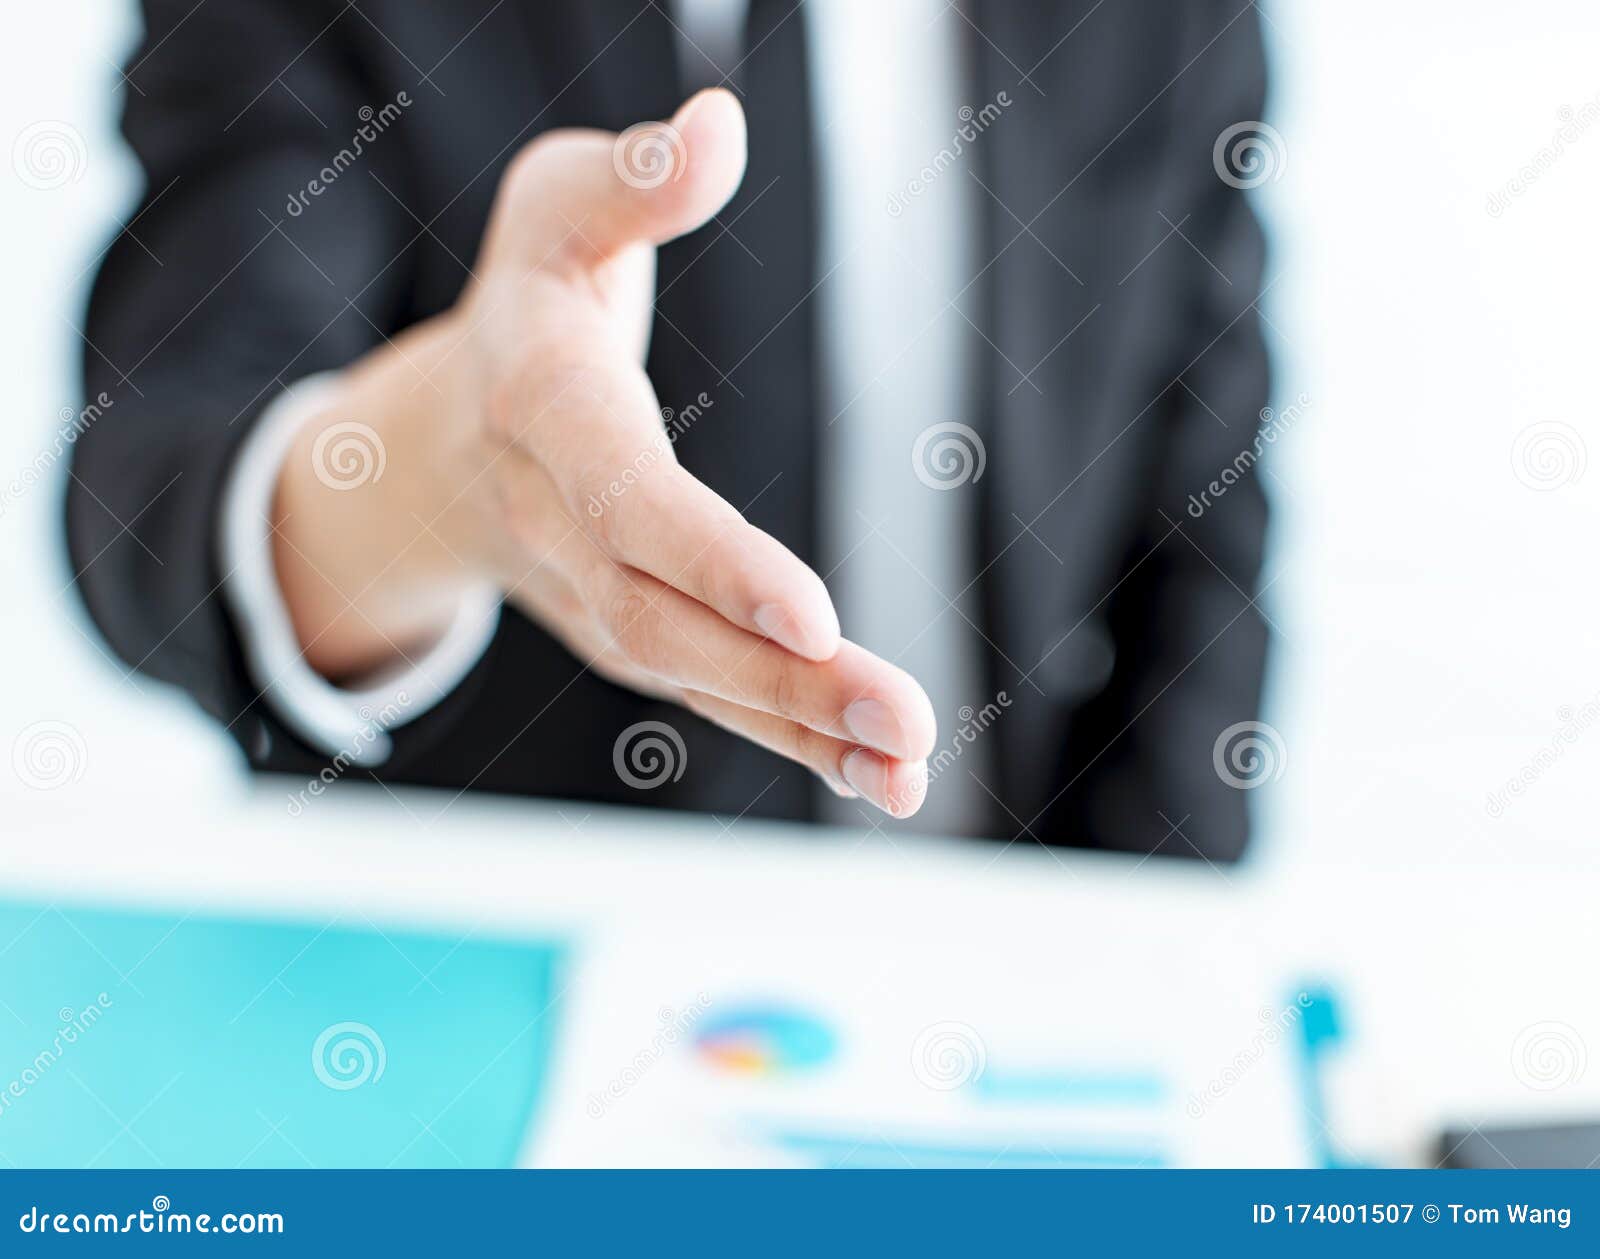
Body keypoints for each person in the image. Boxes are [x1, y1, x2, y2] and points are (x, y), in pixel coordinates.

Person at [67, 0, 1272, 858]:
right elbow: (156, 472)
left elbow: (1204, 503)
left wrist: (1149, 954)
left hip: (1007, 976)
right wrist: (436, 480)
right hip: (492, 999)